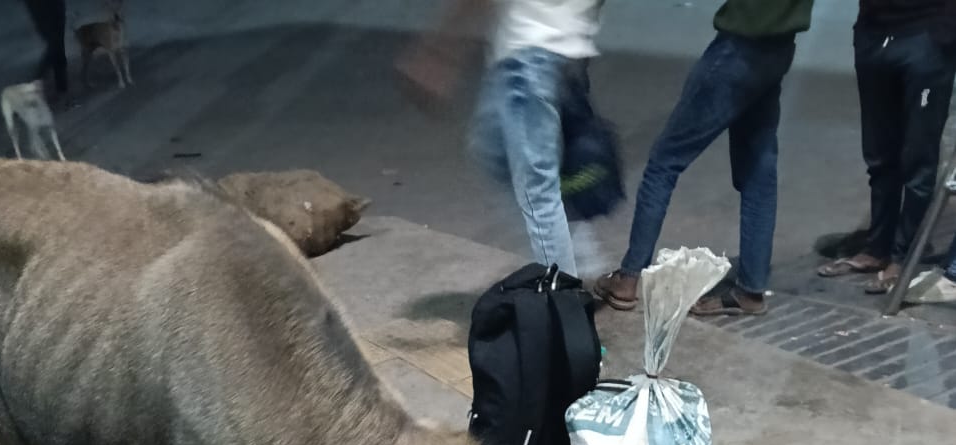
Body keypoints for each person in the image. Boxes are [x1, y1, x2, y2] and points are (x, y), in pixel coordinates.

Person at [594, 0, 814, 317]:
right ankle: (751, 289)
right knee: (758, 172)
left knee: (663, 163)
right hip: (779, 49)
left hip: (738, 50)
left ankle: (628, 277)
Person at [397, 0, 606, 277]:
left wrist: (439, 52)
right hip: (552, 54)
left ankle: (563, 293)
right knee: (491, 149)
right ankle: (578, 256)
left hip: (528, 60)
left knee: (537, 189)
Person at [819, 0, 956, 293]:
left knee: (918, 156)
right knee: (879, 155)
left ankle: (903, 255)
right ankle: (878, 247)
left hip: (926, 36)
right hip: (876, 35)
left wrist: (943, 33)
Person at [20, 0, 68, 98]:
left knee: (58, 43)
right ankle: (38, 79)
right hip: (40, 6)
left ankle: (62, 87)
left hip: (54, 5)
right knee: (55, 43)